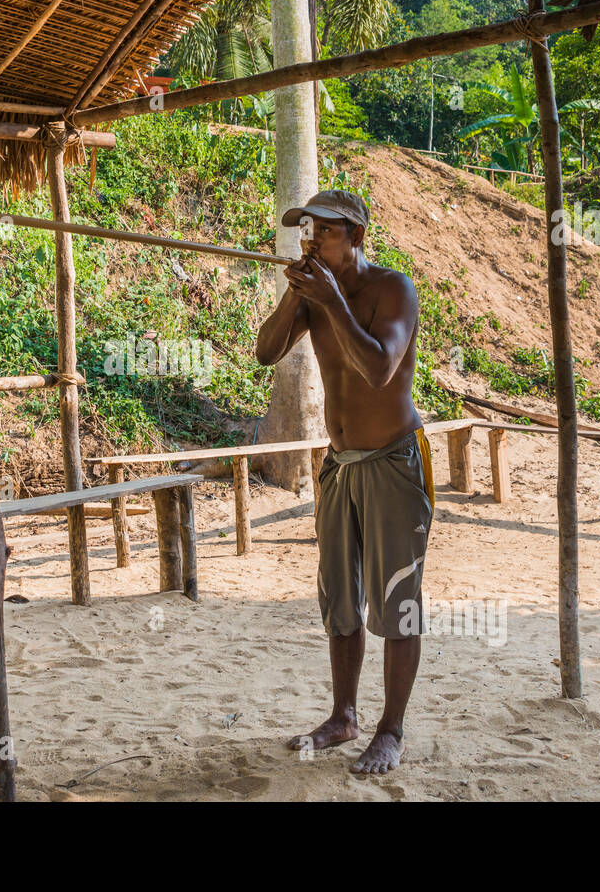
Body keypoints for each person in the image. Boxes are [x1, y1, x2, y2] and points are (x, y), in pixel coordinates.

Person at [254, 189, 434, 775]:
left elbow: (380, 369)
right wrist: (295, 297)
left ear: (356, 237)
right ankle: (344, 715)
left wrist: (331, 301)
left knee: (396, 602)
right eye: (307, 231)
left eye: (325, 232)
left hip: (391, 462)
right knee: (340, 599)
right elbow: (265, 352)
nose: (312, 241)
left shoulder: (392, 289)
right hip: (339, 465)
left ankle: (390, 729)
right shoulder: (314, 294)